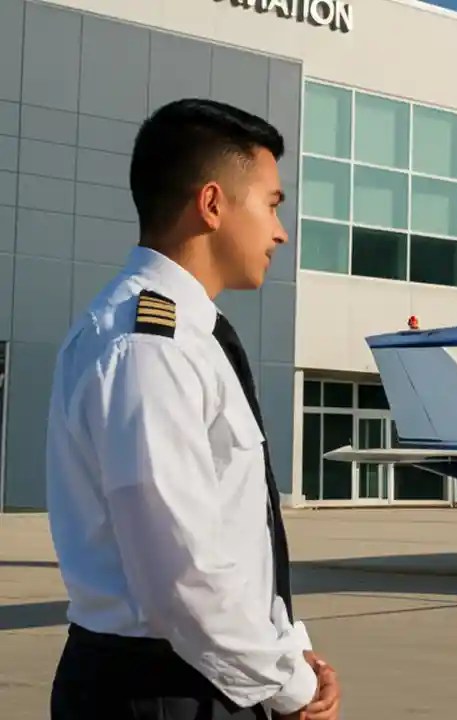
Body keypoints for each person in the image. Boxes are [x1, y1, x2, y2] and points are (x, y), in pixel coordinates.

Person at [44, 98, 340, 719]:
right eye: (272, 205)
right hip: (160, 690)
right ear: (211, 204)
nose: (281, 232)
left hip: (200, 676)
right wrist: (289, 687)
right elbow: (181, 572)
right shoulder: (150, 348)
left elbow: (237, 535)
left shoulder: (183, 337)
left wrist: (287, 654)